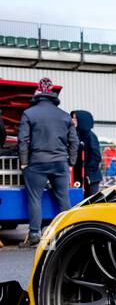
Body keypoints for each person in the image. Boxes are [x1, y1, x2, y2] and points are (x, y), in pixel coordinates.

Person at [17, 78, 77, 247]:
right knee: (63, 198)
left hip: (37, 162)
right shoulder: (65, 116)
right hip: (60, 162)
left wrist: (24, 162)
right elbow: (74, 141)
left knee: (35, 198)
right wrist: (71, 162)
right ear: (52, 94)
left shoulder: (29, 113)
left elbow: (22, 140)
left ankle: (35, 234)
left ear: (38, 92)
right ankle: (68, 232)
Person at [71, 110, 103, 195]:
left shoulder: (90, 136)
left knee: (89, 200)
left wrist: (87, 171)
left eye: (75, 118)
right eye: (72, 118)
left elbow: (96, 156)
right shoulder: (75, 134)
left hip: (90, 177)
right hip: (78, 175)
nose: (72, 120)